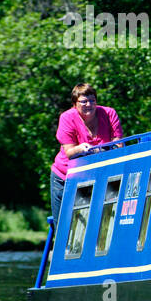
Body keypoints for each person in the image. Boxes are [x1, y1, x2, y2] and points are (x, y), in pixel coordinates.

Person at [50, 83, 125, 220]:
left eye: (92, 100)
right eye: (84, 101)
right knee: (63, 224)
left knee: (99, 219)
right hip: (65, 176)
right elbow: (70, 152)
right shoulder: (67, 117)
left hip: (97, 174)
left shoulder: (109, 114)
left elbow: (119, 144)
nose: (89, 104)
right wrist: (81, 149)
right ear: (75, 103)